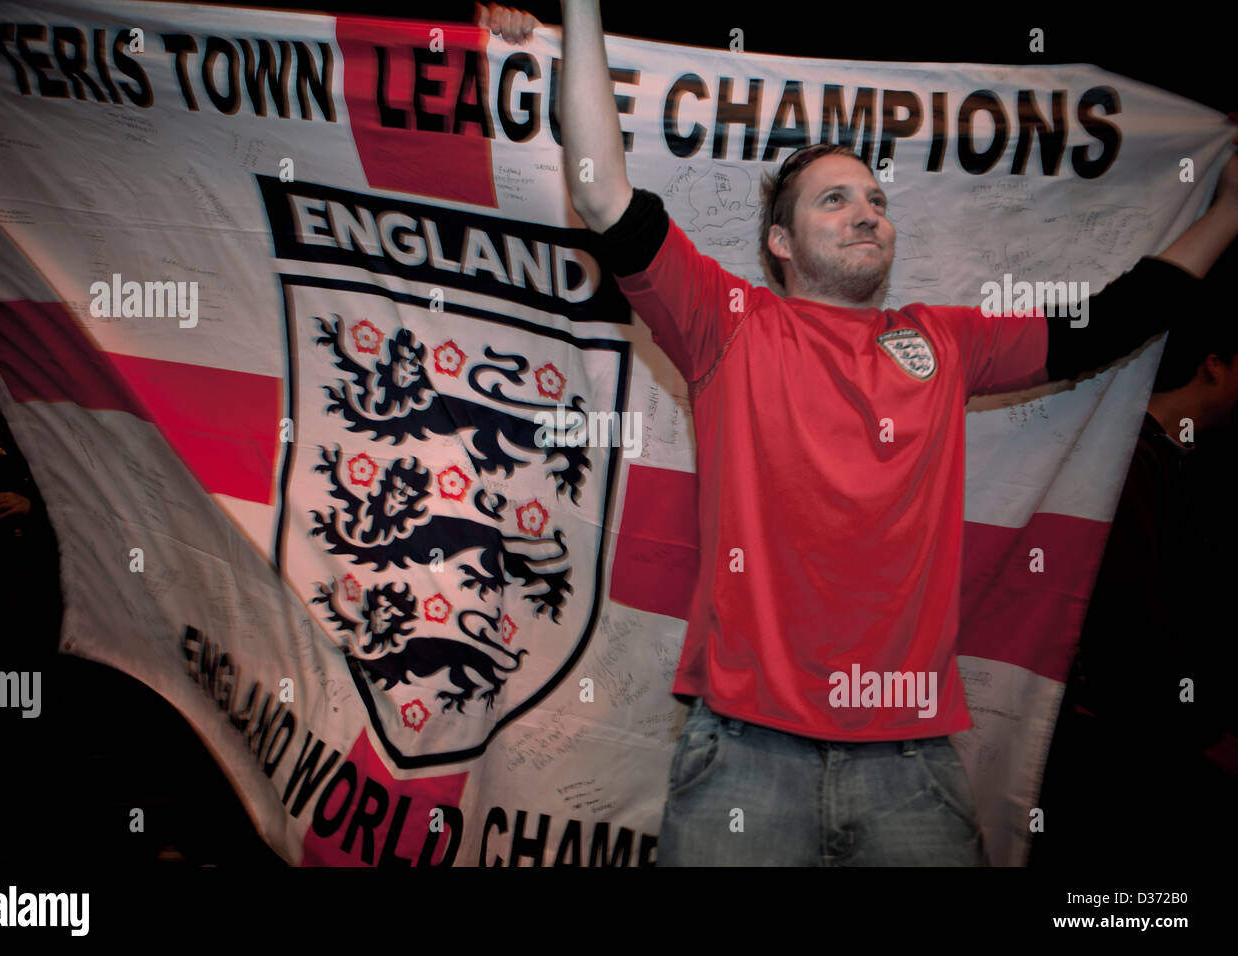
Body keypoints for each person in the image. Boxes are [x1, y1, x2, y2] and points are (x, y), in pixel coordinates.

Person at [479, 1, 1238, 864]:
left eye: (876, 199)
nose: (867, 212)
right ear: (780, 243)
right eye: (835, 200)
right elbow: (599, 191)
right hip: (745, 755)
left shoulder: (944, 341)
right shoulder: (728, 326)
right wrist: (579, 15)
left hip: (910, 763)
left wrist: (1229, 212)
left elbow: (1105, 325)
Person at [1031, 309, 1238, 867]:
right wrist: (1203, 735)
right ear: (1214, 367)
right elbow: (1130, 618)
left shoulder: (1169, 458)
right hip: (1126, 746)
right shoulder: (1132, 461)